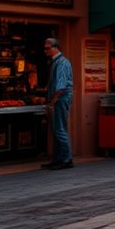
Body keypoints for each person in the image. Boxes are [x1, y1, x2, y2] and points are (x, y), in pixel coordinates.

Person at [42, 38, 74, 170]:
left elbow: (60, 87)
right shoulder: (56, 62)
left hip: (60, 99)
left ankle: (66, 159)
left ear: (55, 48)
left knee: (59, 129)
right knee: (57, 130)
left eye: (47, 48)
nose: (45, 51)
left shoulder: (61, 63)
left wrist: (52, 103)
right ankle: (57, 159)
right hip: (60, 99)